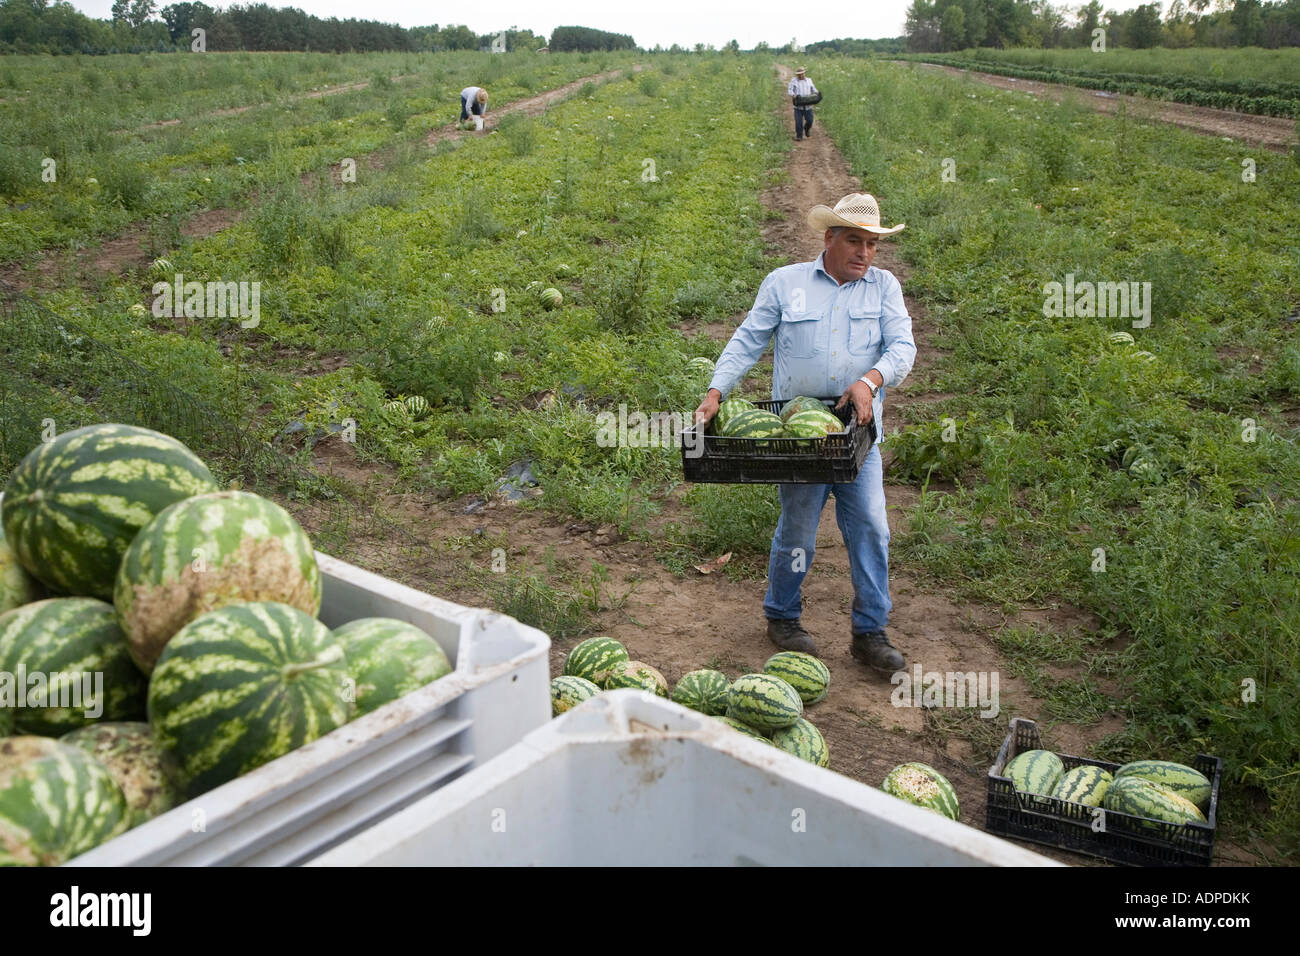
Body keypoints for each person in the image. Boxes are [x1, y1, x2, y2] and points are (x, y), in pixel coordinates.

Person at [694, 193, 917, 673]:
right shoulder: (786, 283)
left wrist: (869, 380)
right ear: (829, 239)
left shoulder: (884, 288)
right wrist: (715, 391)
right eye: (855, 241)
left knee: (872, 529)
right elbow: (748, 339)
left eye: (873, 245)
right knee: (798, 533)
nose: (865, 253)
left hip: (856, 432)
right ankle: (783, 616)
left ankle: (870, 631)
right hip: (796, 432)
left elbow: (903, 347)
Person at [787, 67, 817, 142]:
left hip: (808, 105)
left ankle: (806, 129)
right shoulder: (793, 81)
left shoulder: (809, 80)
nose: (800, 76)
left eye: (802, 74)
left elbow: (813, 89)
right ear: (797, 75)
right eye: (799, 74)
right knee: (798, 122)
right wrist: (794, 95)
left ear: (804, 73)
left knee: (810, 120)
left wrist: (816, 94)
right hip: (798, 106)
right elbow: (790, 90)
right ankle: (799, 136)